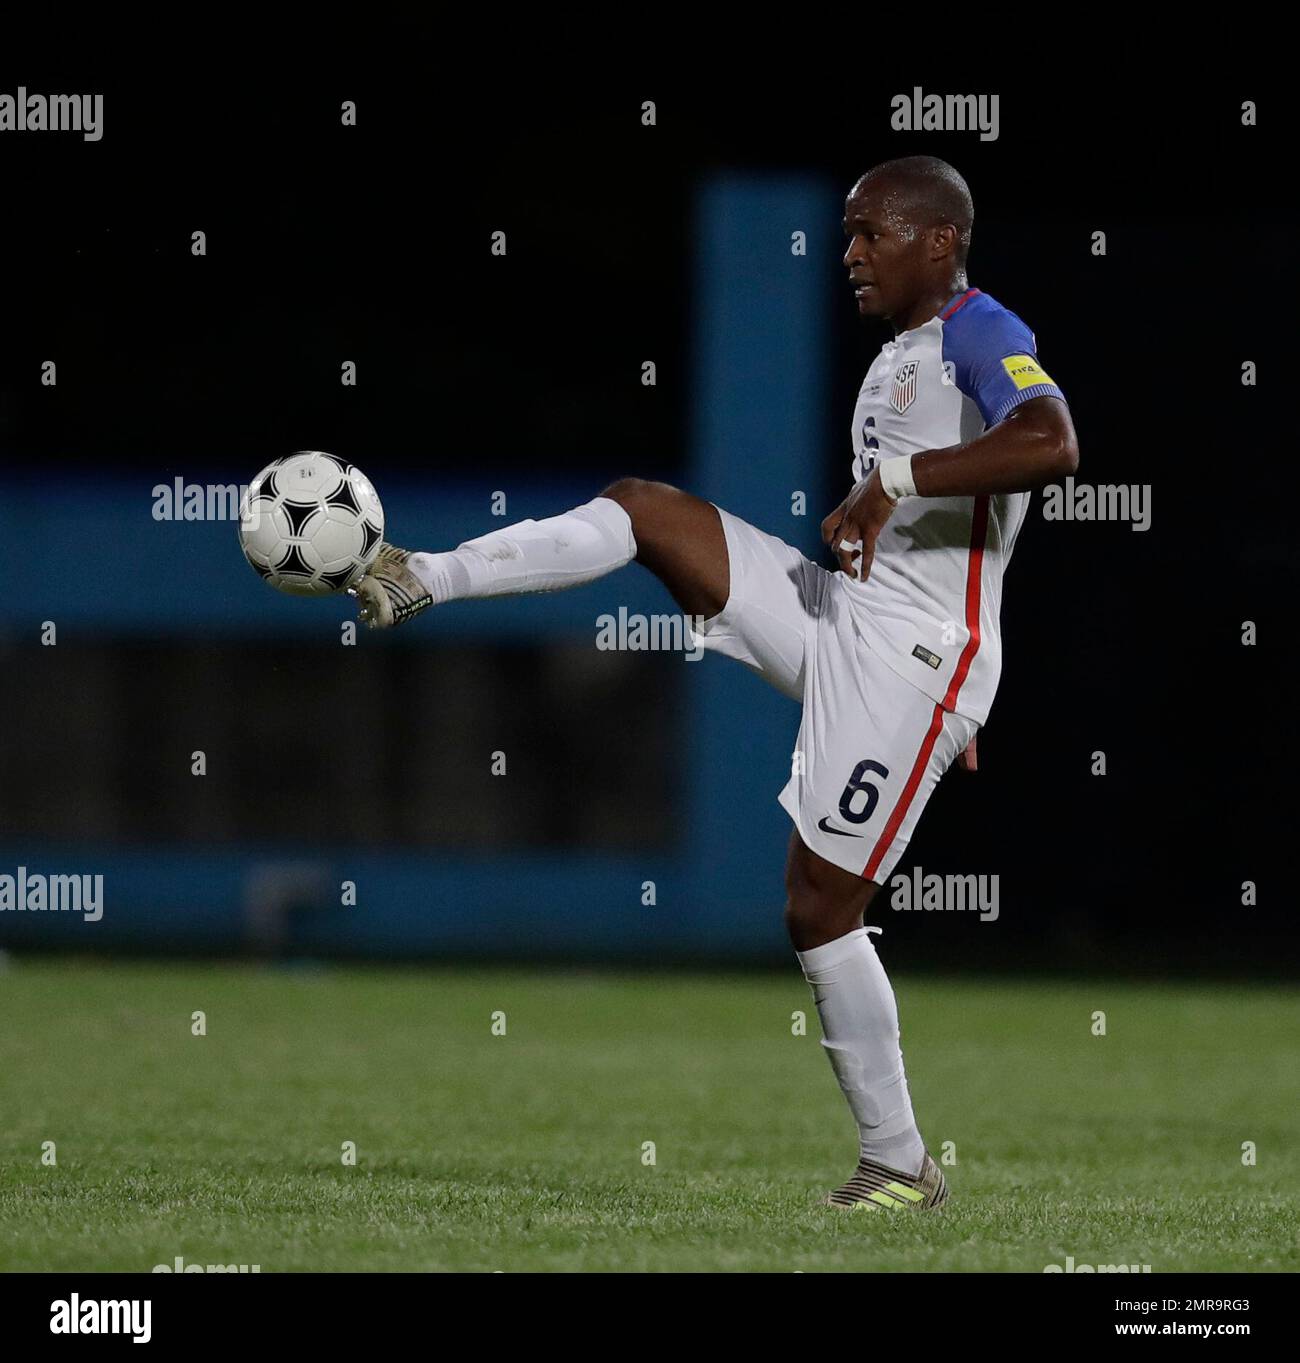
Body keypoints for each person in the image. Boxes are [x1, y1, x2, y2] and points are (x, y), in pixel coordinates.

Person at [350, 155, 1079, 1211]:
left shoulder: (979, 328)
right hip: (845, 615)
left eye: (870, 232)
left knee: (818, 905)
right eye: (845, 234)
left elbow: (1052, 443)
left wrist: (898, 497)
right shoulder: (895, 360)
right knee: (646, 508)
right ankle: (426, 574)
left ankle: (899, 1164)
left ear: (937, 240)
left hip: (914, 660)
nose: (850, 253)